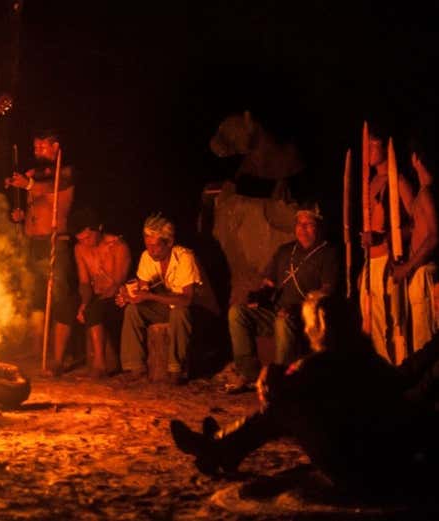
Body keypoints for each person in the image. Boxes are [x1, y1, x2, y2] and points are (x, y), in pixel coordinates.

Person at [170, 291, 439, 496]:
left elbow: (275, 396)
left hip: (350, 469)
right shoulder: (366, 358)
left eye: (309, 322)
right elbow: (403, 376)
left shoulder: (318, 366)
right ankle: (222, 446)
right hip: (383, 462)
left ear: (320, 326)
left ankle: (217, 449)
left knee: (282, 409)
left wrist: (273, 374)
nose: (306, 329)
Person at [226, 203, 339, 392]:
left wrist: (298, 309)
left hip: (306, 318)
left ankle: (279, 382)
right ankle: (250, 374)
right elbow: (269, 283)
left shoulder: (328, 253)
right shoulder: (285, 251)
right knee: (237, 313)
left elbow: (327, 292)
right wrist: (259, 296)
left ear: (319, 226)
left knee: (282, 321)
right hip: (279, 312)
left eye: (308, 224)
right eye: (299, 224)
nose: (302, 229)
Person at [6, 130, 76, 372]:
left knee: (59, 297)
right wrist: (22, 215)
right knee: (36, 297)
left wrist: (28, 184)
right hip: (33, 242)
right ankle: (37, 351)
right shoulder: (35, 174)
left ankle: (57, 358)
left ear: (55, 146)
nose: (37, 152)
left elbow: (50, 188)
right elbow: (35, 200)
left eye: (42, 147)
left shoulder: (64, 173)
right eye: (35, 148)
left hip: (55, 240)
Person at [117, 214, 202, 385]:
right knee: (132, 311)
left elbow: (186, 300)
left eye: (155, 246)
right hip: (164, 308)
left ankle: (175, 369)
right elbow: (143, 290)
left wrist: (149, 296)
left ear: (169, 243)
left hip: (190, 311)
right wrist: (129, 296)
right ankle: (135, 366)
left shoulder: (185, 258)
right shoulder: (147, 257)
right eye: (148, 245)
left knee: (179, 312)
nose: (151, 251)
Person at [360, 124, 415, 364]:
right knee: (371, 322)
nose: (369, 150)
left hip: (389, 262)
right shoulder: (370, 183)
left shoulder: (398, 180)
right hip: (370, 262)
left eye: (373, 145)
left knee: (392, 323)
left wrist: (388, 238)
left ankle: (395, 373)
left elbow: (418, 224)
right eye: (366, 145)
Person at [70, 208, 131, 377]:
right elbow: (84, 282)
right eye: (81, 239)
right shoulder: (80, 249)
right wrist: (84, 302)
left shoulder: (118, 246)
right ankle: (58, 363)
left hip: (117, 297)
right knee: (65, 306)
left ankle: (100, 364)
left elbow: (118, 283)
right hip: (96, 295)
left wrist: (91, 305)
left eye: (88, 237)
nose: (86, 242)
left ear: (99, 228)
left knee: (94, 310)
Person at [392, 140, 438, 354]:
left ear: (416, 159)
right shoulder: (424, 194)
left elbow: (434, 236)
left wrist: (408, 267)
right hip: (420, 274)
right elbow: (415, 219)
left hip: (424, 274)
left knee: (425, 345)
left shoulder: (428, 194)